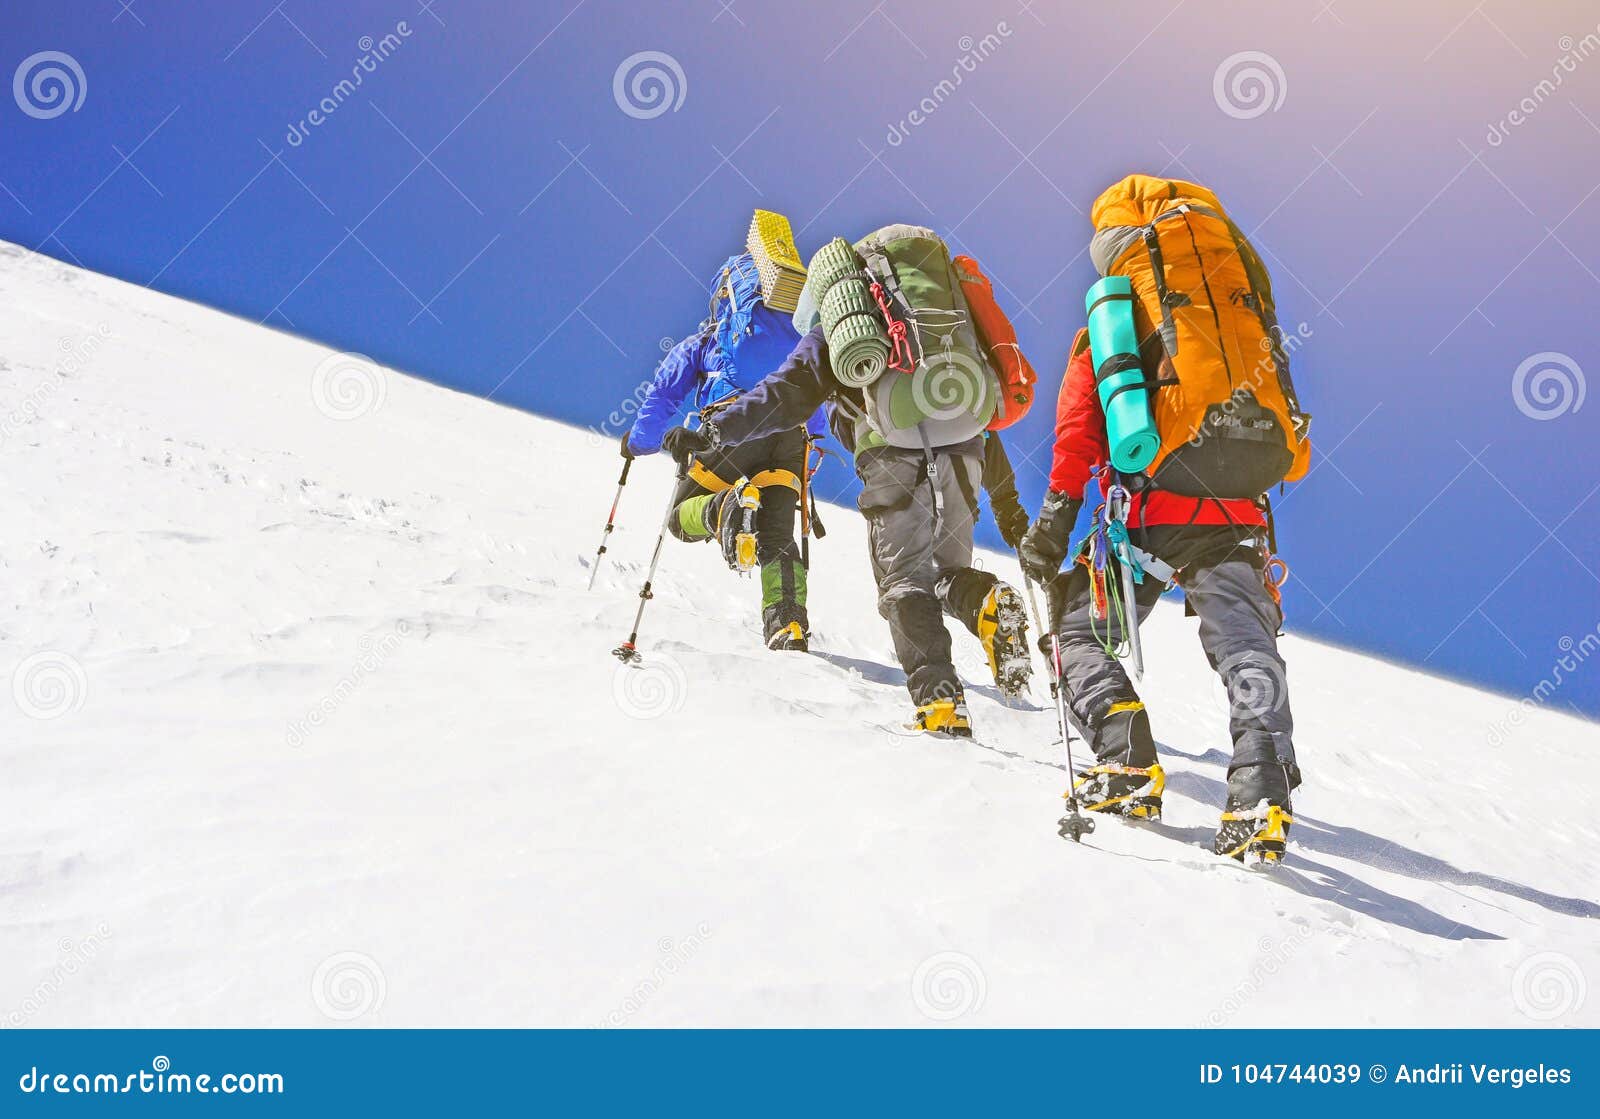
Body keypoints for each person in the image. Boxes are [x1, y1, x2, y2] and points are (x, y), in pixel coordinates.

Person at [664, 224, 1034, 738]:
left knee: (904, 581)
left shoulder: (849, 323)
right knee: (947, 572)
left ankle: (940, 705)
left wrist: (714, 429)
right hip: (966, 451)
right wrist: (1009, 506)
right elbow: (988, 421)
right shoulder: (950, 321)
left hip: (890, 452)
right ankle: (988, 602)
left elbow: (786, 394)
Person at [1019, 332, 1300, 862]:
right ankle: (1261, 788)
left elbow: (1078, 430)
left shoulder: (1108, 331)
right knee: (1245, 647)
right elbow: (1294, 454)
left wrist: (1054, 522)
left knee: (1075, 634)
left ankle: (1125, 760)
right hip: (1235, 518)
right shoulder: (1238, 325)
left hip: (1144, 518)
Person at [623, 252, 824, 652]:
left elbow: (664, 393)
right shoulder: (801, 341)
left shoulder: (709, 340)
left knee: (681, 519)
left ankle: (723, 509)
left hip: (731, 426)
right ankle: (788, 626)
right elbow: (819, 415)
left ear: (726, 296)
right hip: (790, 442)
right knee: (778, 536)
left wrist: (639, 442)